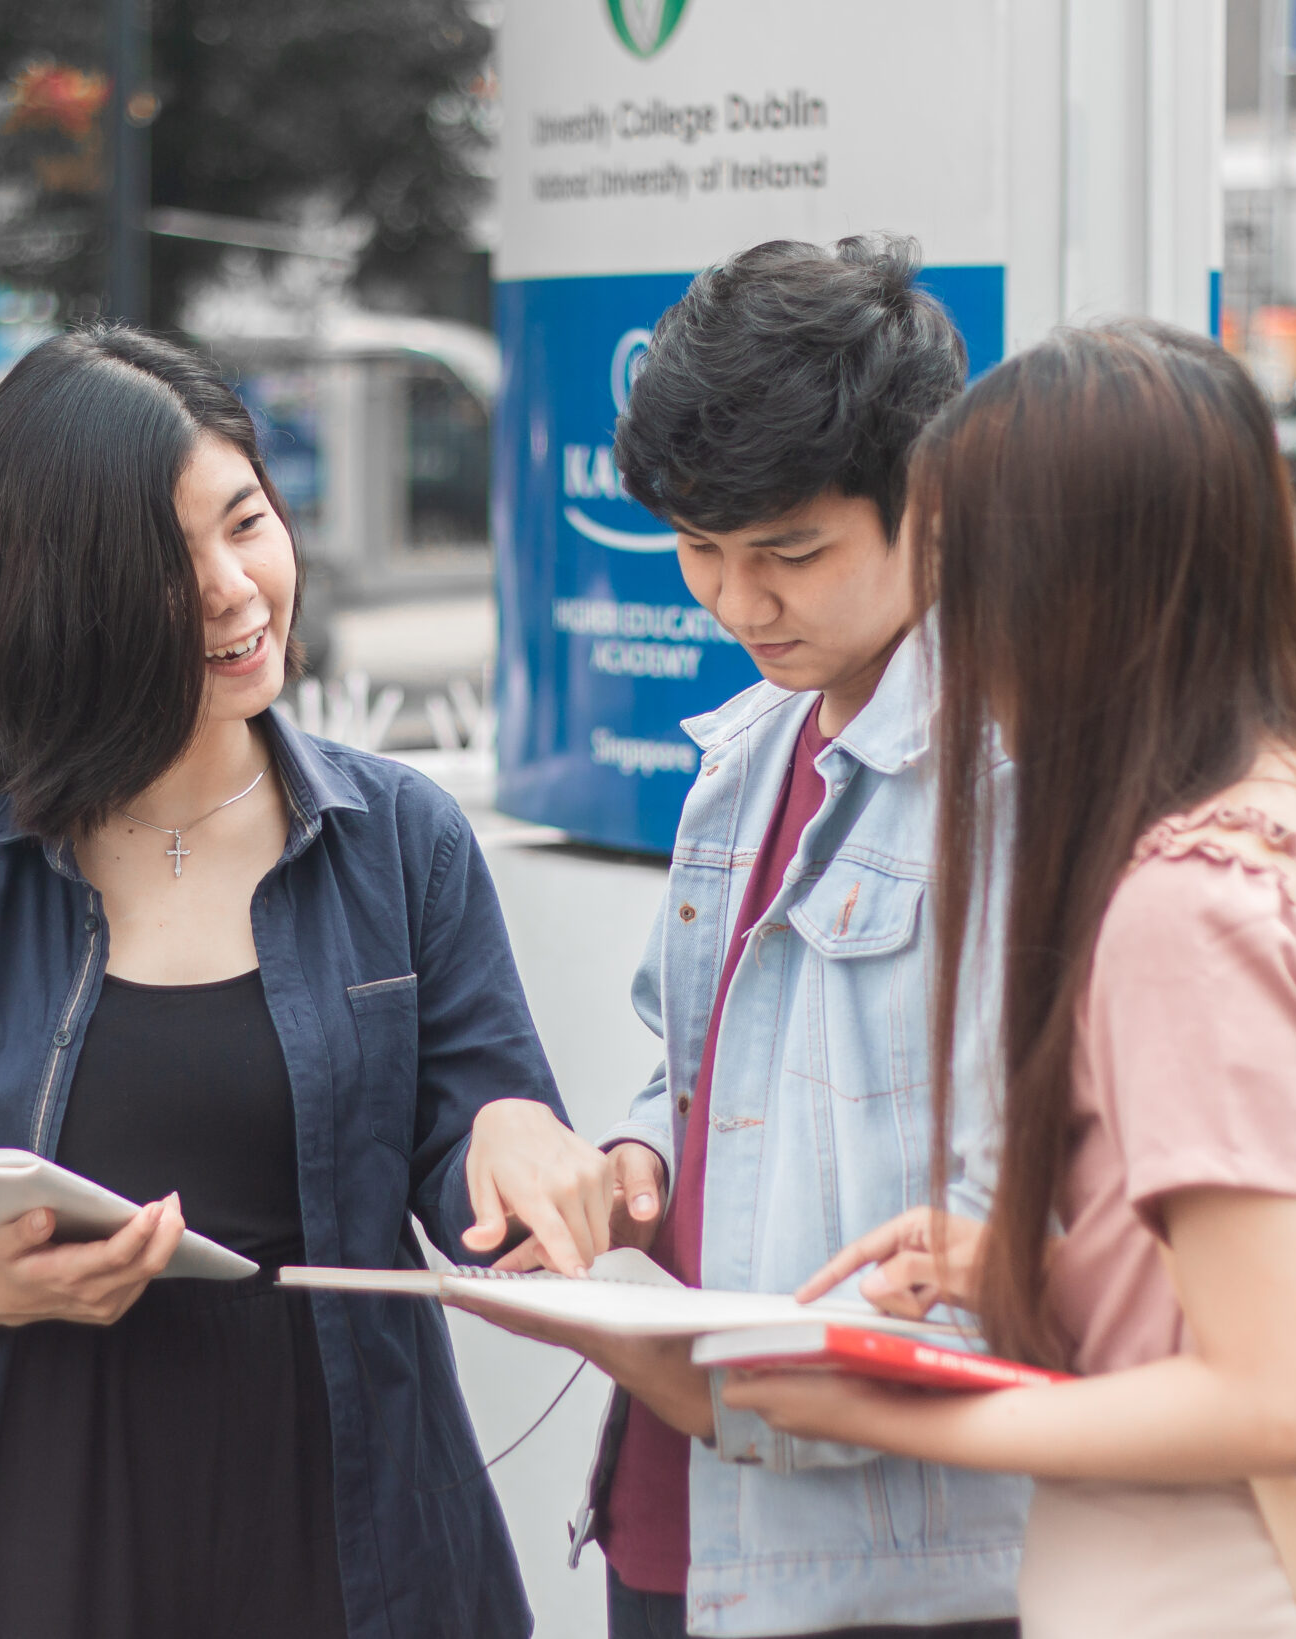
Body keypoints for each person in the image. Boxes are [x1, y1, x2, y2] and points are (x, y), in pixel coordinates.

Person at [0, 325, 613, 1639]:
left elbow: (478, 1150)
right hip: (46, 1517)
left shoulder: (398, 840)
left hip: (349, 1515)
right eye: (173, 563)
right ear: (61, 595)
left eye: (248, 522)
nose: (236, 588)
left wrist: (513, 1136)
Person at [722, 323, 1296, 1639]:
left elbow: (1281, 1393)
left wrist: (894, 1410)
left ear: (1071, 580)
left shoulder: (1187, 908)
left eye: (970, 566)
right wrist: (1044, 1271)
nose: (951, 616)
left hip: (1213, 1571)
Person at [463, 236, 1028, 1638]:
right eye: (700, 551)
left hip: (888, 1563)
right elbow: (700, 1070)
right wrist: (641, 1163)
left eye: (789, 553)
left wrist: (701, 1384)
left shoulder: (1008, 789)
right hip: (678, 1521)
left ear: (935, 509)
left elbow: (1007, 1248)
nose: (735, 602)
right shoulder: (749, 752)